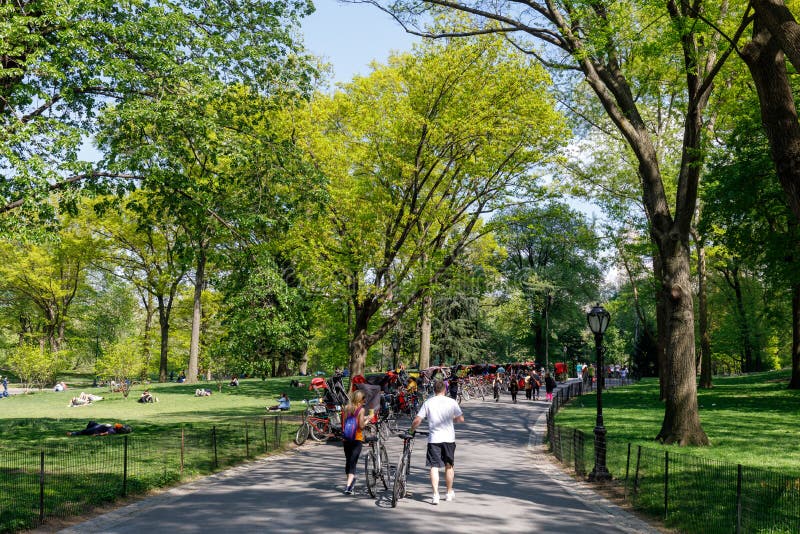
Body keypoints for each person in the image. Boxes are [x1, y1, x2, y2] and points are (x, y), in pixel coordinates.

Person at [409, 379, 464, 505]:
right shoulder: (452, 402)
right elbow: (460, 419)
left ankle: (435, 495)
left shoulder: (428, 402)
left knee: (434, 466)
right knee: (449, 466)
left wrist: (411, 430)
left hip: (434, 439)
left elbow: (417, 420)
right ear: (445, 390)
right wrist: (451, 418)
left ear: (434, 390)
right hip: (449, 438)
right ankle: (449, 493)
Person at [341, 389, 368, 495]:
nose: (365, 401)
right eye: (364, 399)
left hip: (346, 438)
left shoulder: (346, 408)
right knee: (353, 461)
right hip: (357, 438)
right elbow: (361, 426)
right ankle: (348, 486)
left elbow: (344, 422)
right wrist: (367, 420)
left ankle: (350, 482)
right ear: (360, 399)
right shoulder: (361, 410)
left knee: (348, 461)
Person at [67, 421, 132, 436]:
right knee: (91, 422)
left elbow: (105, 433)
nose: (118, 425)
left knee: (83, 432)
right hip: (98, 426)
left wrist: (97, 434)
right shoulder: (113, 428)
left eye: (119, 426)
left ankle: (73, 433)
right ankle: (87, 431)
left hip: (96, 429)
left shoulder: (112, 431)